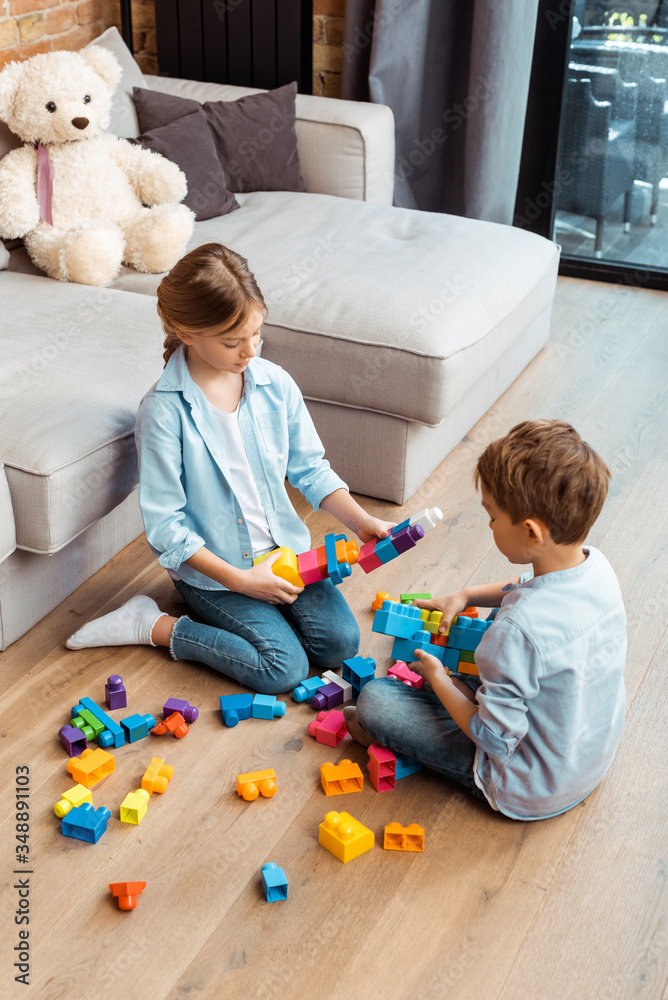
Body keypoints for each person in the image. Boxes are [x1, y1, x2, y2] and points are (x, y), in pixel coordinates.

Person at [66, 242, 396, 693]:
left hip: (285, 556)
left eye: (256, 333)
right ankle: (154, 625)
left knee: (340, 644)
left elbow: (310, 469)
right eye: (231, 341)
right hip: (217, 573)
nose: (249, 350)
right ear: (187, 332)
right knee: (283, 670)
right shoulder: (163, 412)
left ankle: (266, 618)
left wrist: (363, 522)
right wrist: (243, 582)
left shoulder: (274, 384)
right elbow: (166, 528)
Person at [345, 419, 627, 821]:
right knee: (498, 635)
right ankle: (468, 690)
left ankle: (441, 715)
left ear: (531, 532)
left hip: (526, 784)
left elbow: (493, 740)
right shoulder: (595, 565)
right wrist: (464, 595)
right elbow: (524, 585)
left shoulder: (518, 630)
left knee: (375, 702)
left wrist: (440, 677)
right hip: (587, 754)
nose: (489, 524)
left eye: (493, 516)